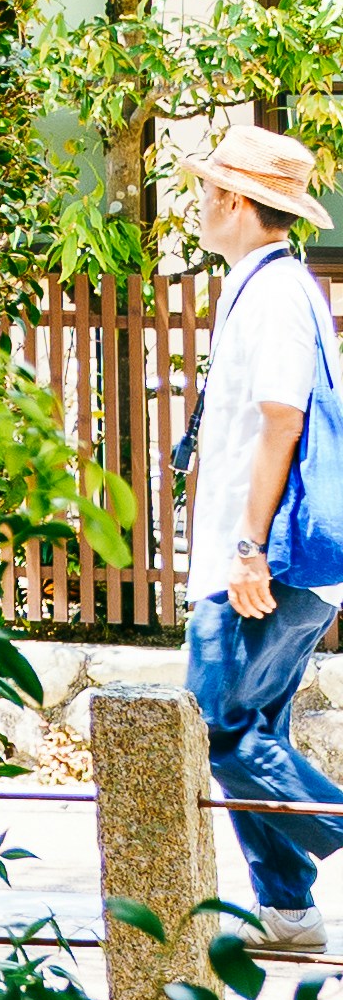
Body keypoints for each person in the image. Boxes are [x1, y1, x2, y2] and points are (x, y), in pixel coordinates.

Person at [182, 115, 343, 953]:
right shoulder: (274, 284)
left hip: (262, 565)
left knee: (216, 729)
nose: (199, 205)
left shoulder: (276, 294)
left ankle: (308, 877)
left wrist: (247, 547)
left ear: (235, 199)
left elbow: (283, 418)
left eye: (206, 191)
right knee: (256, 737)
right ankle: (288, 911)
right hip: (280, 565)